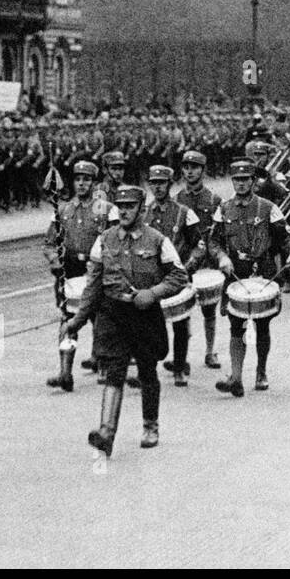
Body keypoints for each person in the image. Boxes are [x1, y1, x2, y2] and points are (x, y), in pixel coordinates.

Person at [60, 185, 188, 455]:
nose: (125, 211)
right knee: (114, 371)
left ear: (142, 209)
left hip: (144, 314)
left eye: (131, 206)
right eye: (121, 206)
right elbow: (93, 285)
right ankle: (106, 431)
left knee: (147, 372)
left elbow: (179, 276)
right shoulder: (104, 240)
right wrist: (78, 320)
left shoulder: (157, 240)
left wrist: (152, 293)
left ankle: (150, 425)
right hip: (113, 314)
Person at [207, 159, 290, 396]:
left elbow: (288, 236)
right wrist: (221, 257)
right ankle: (236, 377)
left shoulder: (268, 208)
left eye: (245, 179)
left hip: (262, 272)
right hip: (235, 272)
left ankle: (261, 371)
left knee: (262, 324)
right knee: (236, 325)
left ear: (253, 181)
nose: (240, 184)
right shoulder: (224, 209)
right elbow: (214, 240)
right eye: (236, 179)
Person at [43, 160, 115, 390]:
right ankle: (65, 372)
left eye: (86, 179)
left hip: (96, 270)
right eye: (77, 179)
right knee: (67, 320)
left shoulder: (104, 208)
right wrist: (55, 261)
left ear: (94, 183)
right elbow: (49, 243)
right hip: (70, 272)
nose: (81, 183)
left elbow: (115, 239)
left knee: (101, 319)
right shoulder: (63, 209)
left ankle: (103, 363)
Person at [144, 164, 204, 387]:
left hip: (176, 276)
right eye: (154, 183)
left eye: (162, 183)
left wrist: (188, 268)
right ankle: (147, 369)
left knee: (180, 322)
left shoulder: (184, 213)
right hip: (151, 278)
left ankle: (179, 367)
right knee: (148, 324)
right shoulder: (144, 213)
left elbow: (199, 245)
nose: (157, 187)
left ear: (170, 184)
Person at [175, 149, 223, 369]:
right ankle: (181, 356)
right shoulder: (177, 200)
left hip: (207, 262)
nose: (189, 172)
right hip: (185, 261)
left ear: (203, 171)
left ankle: (210, 351)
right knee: (182, 310)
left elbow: (218, 233)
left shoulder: (213, 199)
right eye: (186, 167)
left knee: (209, 310)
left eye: (194, 167)